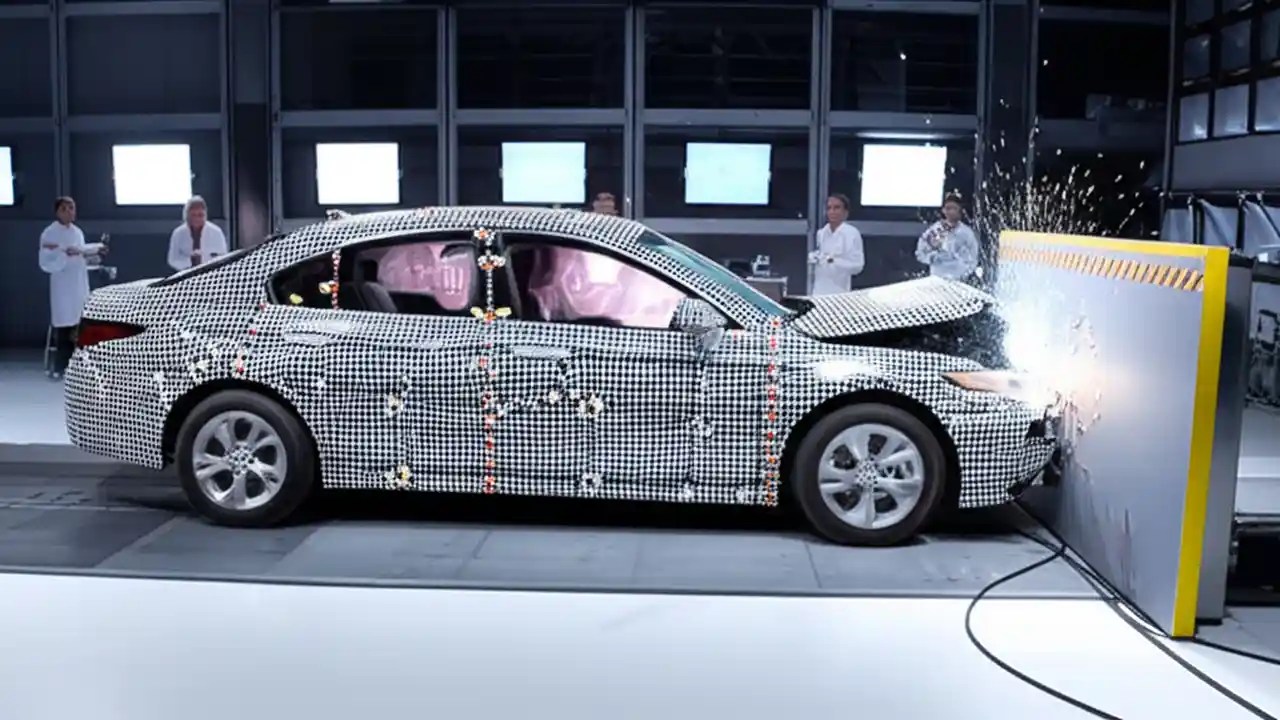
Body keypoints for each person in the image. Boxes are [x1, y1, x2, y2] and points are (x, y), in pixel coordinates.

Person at [38, 197, 107, 379]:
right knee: (64, 328)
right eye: (65, 208)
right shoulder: (49, 234)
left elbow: (81, 254)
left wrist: (92, 255)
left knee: (79, 325)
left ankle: (79, 369)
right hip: (62, 286)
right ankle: (61, 367)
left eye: (72, 208)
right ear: (57, 211)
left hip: (78, 284)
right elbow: (45, 263)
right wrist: (64, 255)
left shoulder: (77, 232)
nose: (70, 212)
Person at [809, 193, 865, 295]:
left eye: (837, 208)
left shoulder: (852, 234)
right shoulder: (821, 233)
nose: (832, 212)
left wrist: (833, 261)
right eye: (829, 208)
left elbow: (858, 266)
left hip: (840, 293)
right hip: (818, 292)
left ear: (845, 212)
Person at [916, 194, 979, 281]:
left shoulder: (967, 233)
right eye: (948, 208)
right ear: (943, 210)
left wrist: (964, 274)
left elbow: (973, 258)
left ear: (959, 210)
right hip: (936, 278)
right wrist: (933, 257)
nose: (951, 212)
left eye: (954, 208)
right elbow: (921, 252)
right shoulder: (934, 231)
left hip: (958, 280)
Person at [167, 195, 228, 272]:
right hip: (185, 275)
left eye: (200, 215)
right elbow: (172, 259)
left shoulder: (216, 232)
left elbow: (223, 258)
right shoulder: (178, 233)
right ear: (186, 215)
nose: (196, 218)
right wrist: (190, 261)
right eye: (193, 215)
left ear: (205, 215)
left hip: (211, 275)